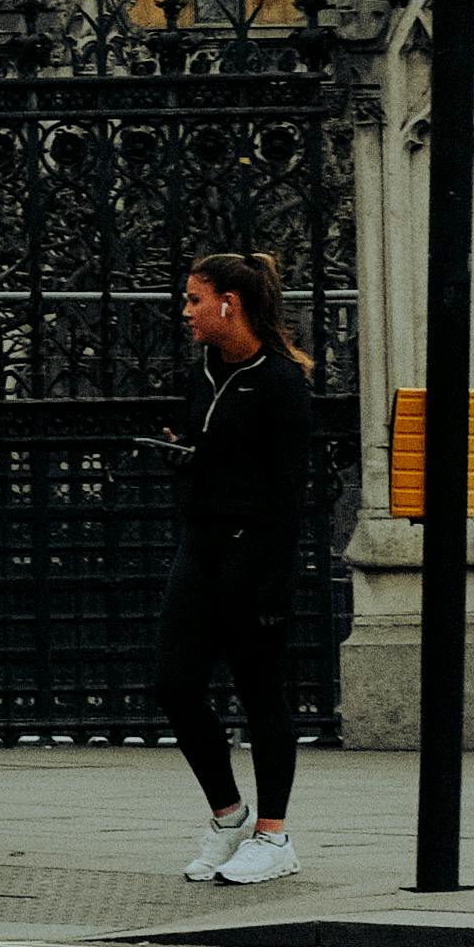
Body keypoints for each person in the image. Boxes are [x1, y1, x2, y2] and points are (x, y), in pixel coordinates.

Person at [164, 251, 312, 890]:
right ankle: (229, 815)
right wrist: (183, 456)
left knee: (260, 693)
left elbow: (290, 489)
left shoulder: (280, 381)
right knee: (174, 685)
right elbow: (212, 453)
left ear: (230, 304)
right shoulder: (200, 373)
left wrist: (275, 577)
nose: (186, 311)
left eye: (195, 299)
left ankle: (273, 836)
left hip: (253, 551)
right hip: (200, 545)